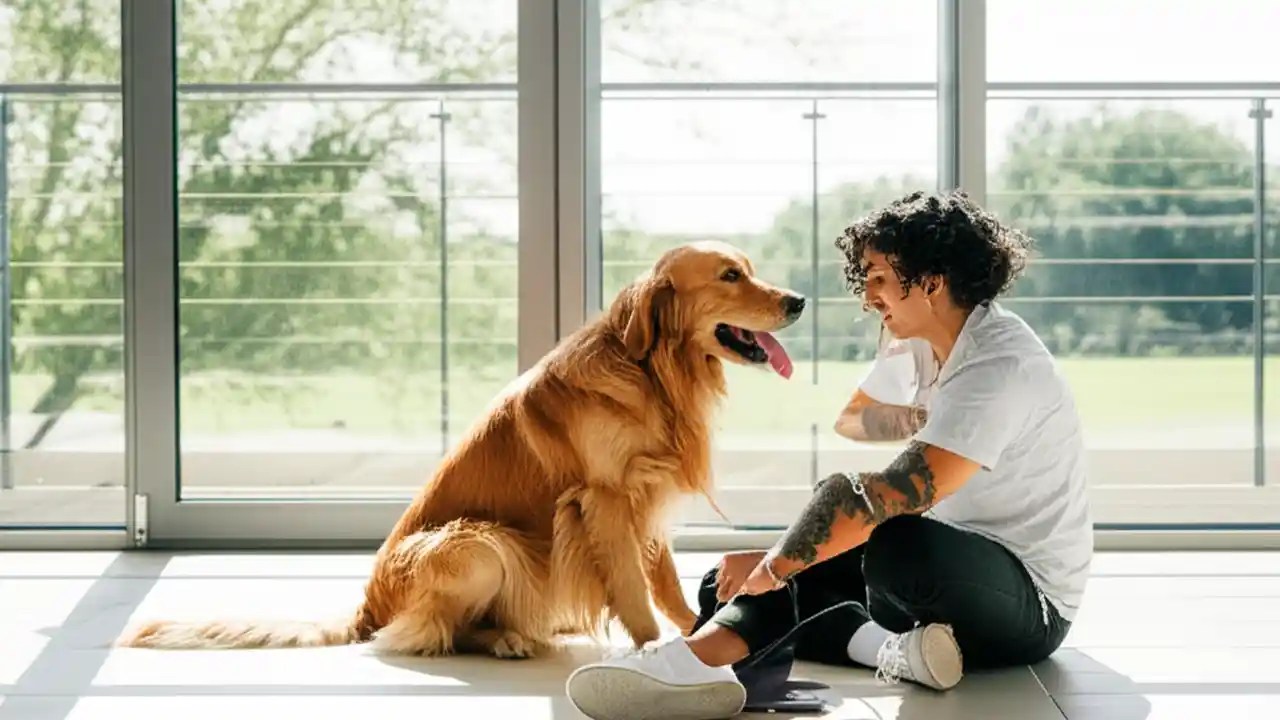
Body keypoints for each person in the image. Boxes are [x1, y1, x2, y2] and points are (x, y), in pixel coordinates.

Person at [563, 190, 1093, 720]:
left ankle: (704, 658)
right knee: (719, 587)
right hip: (944, 564)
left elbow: (890, 495)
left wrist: (777, 567)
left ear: (931, 282)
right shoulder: (919, 342)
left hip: (1028, 603)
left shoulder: (999, 365)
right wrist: (779, 563)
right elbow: (856, 423)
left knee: (893, 546)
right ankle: (867, 655)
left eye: (879, 278)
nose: (868, 297)